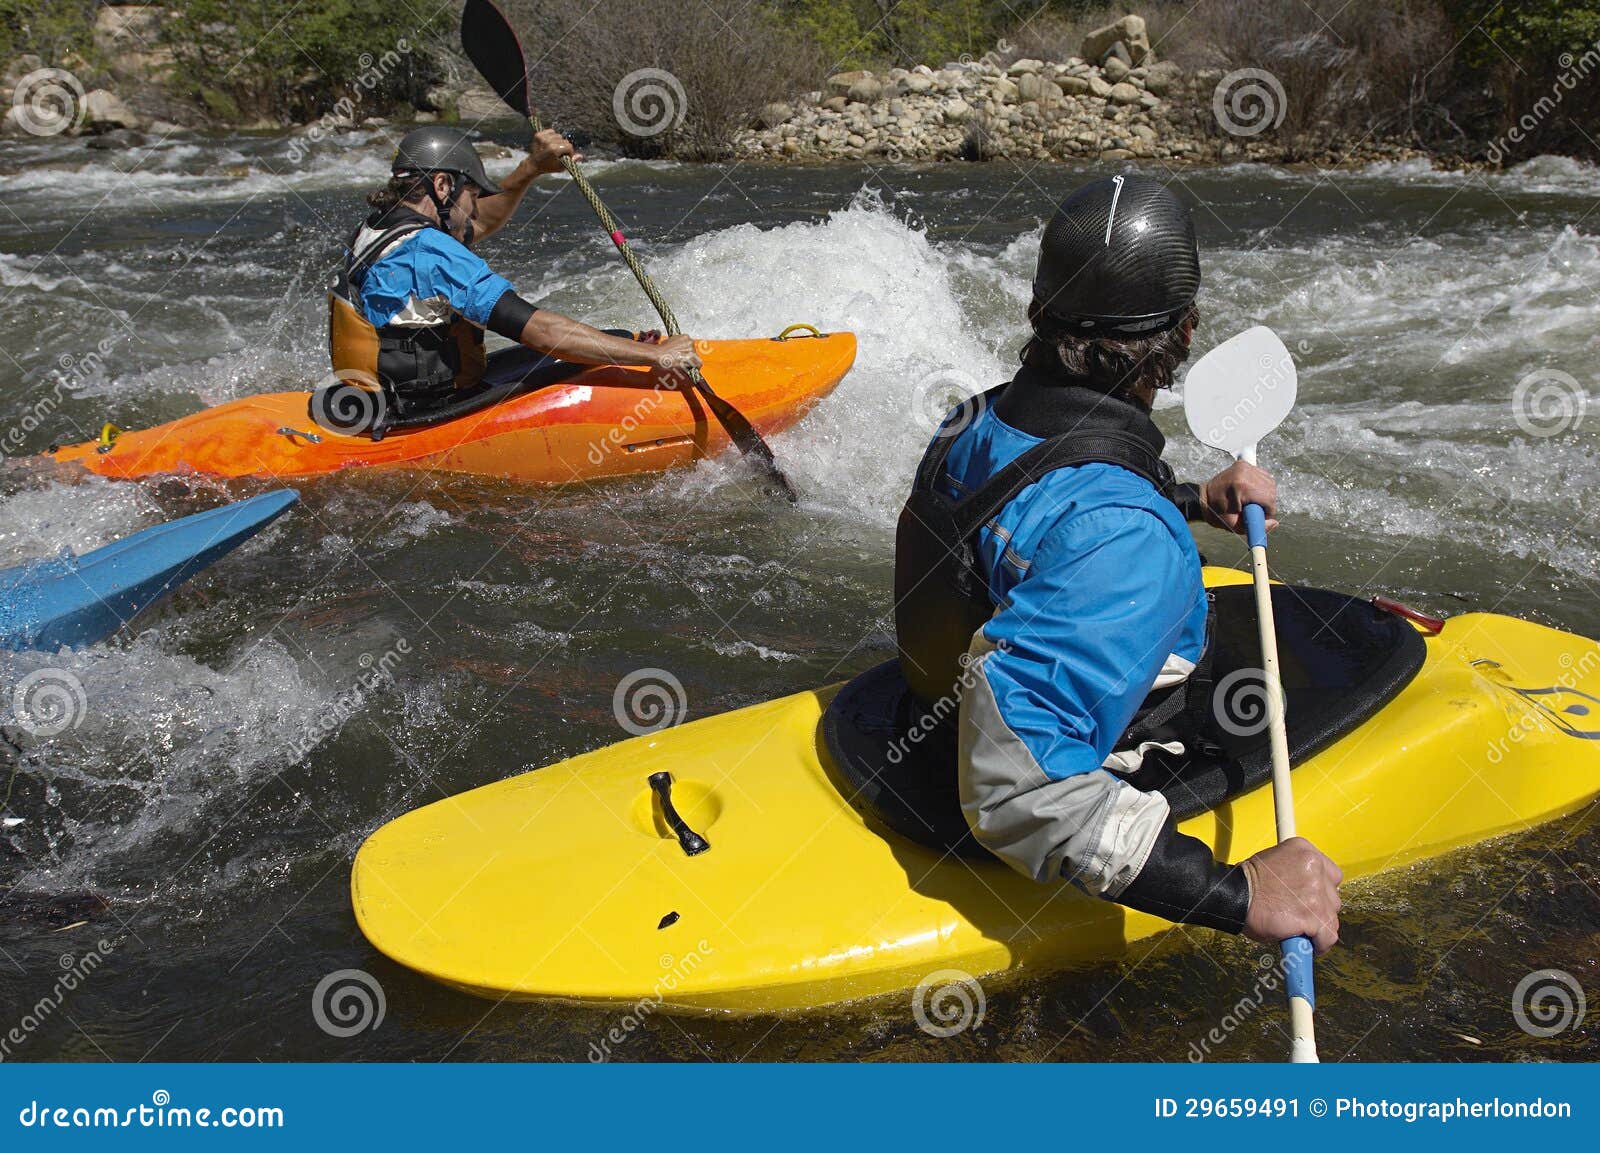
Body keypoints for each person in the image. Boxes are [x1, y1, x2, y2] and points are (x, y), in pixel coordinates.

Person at [893, 174, 1342, 954]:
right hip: (1006, 773)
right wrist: (1239, 893)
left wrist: (1191, 500)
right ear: (1187, 330)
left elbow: (1041, 509)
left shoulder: (974, 419)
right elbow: (1021, 787)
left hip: (920, 714)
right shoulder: (1128, 542)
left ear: (1038, 313)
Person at [328, 125, 698, 423]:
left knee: (612, 340)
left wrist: (532, 167)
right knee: (605, 353)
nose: (474, 207)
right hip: (424, 412)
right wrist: (655, 358)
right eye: (471, 192)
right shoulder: (431, 252)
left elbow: (479, 221)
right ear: (442, 186)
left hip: (384, 401)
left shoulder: (379, 228)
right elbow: (542, 333)